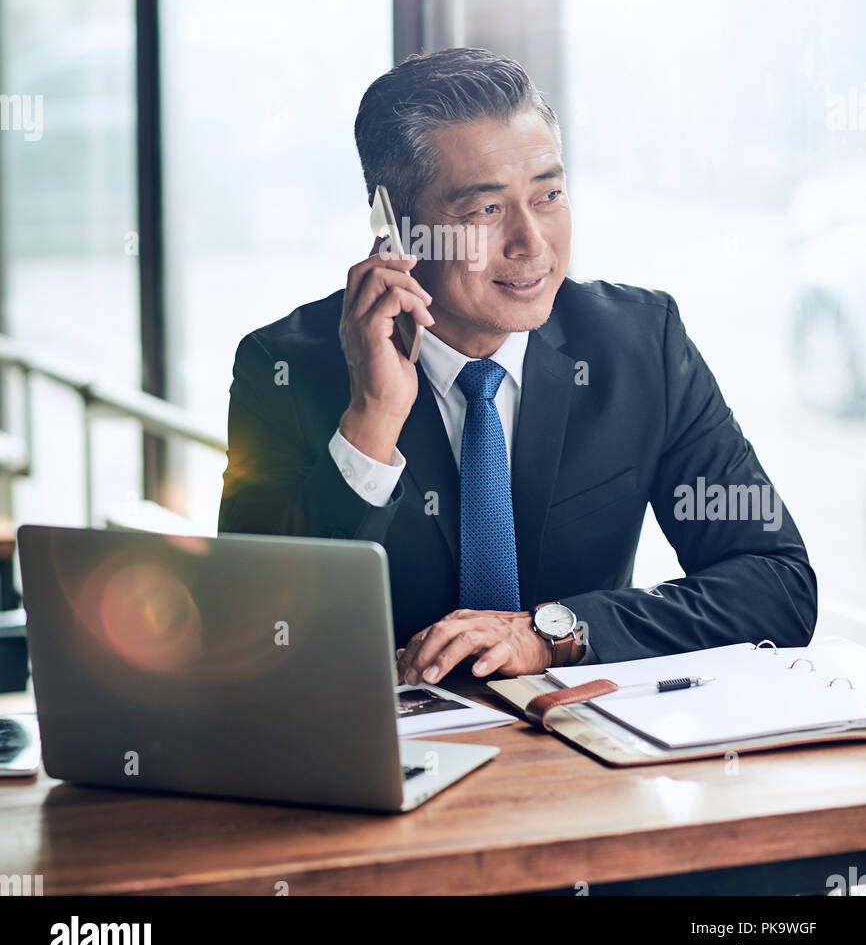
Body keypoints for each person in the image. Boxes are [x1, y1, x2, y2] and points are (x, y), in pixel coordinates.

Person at [217, 47, 817, 686]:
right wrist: (372, 418)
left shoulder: (641, 345)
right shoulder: (283, 366)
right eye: (486, 210)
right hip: (385, 761)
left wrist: (556, 631)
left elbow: (776, 585)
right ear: (396, 227)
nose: (532, 243)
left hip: (584, 754)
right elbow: (252, 631)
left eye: (549, 194)